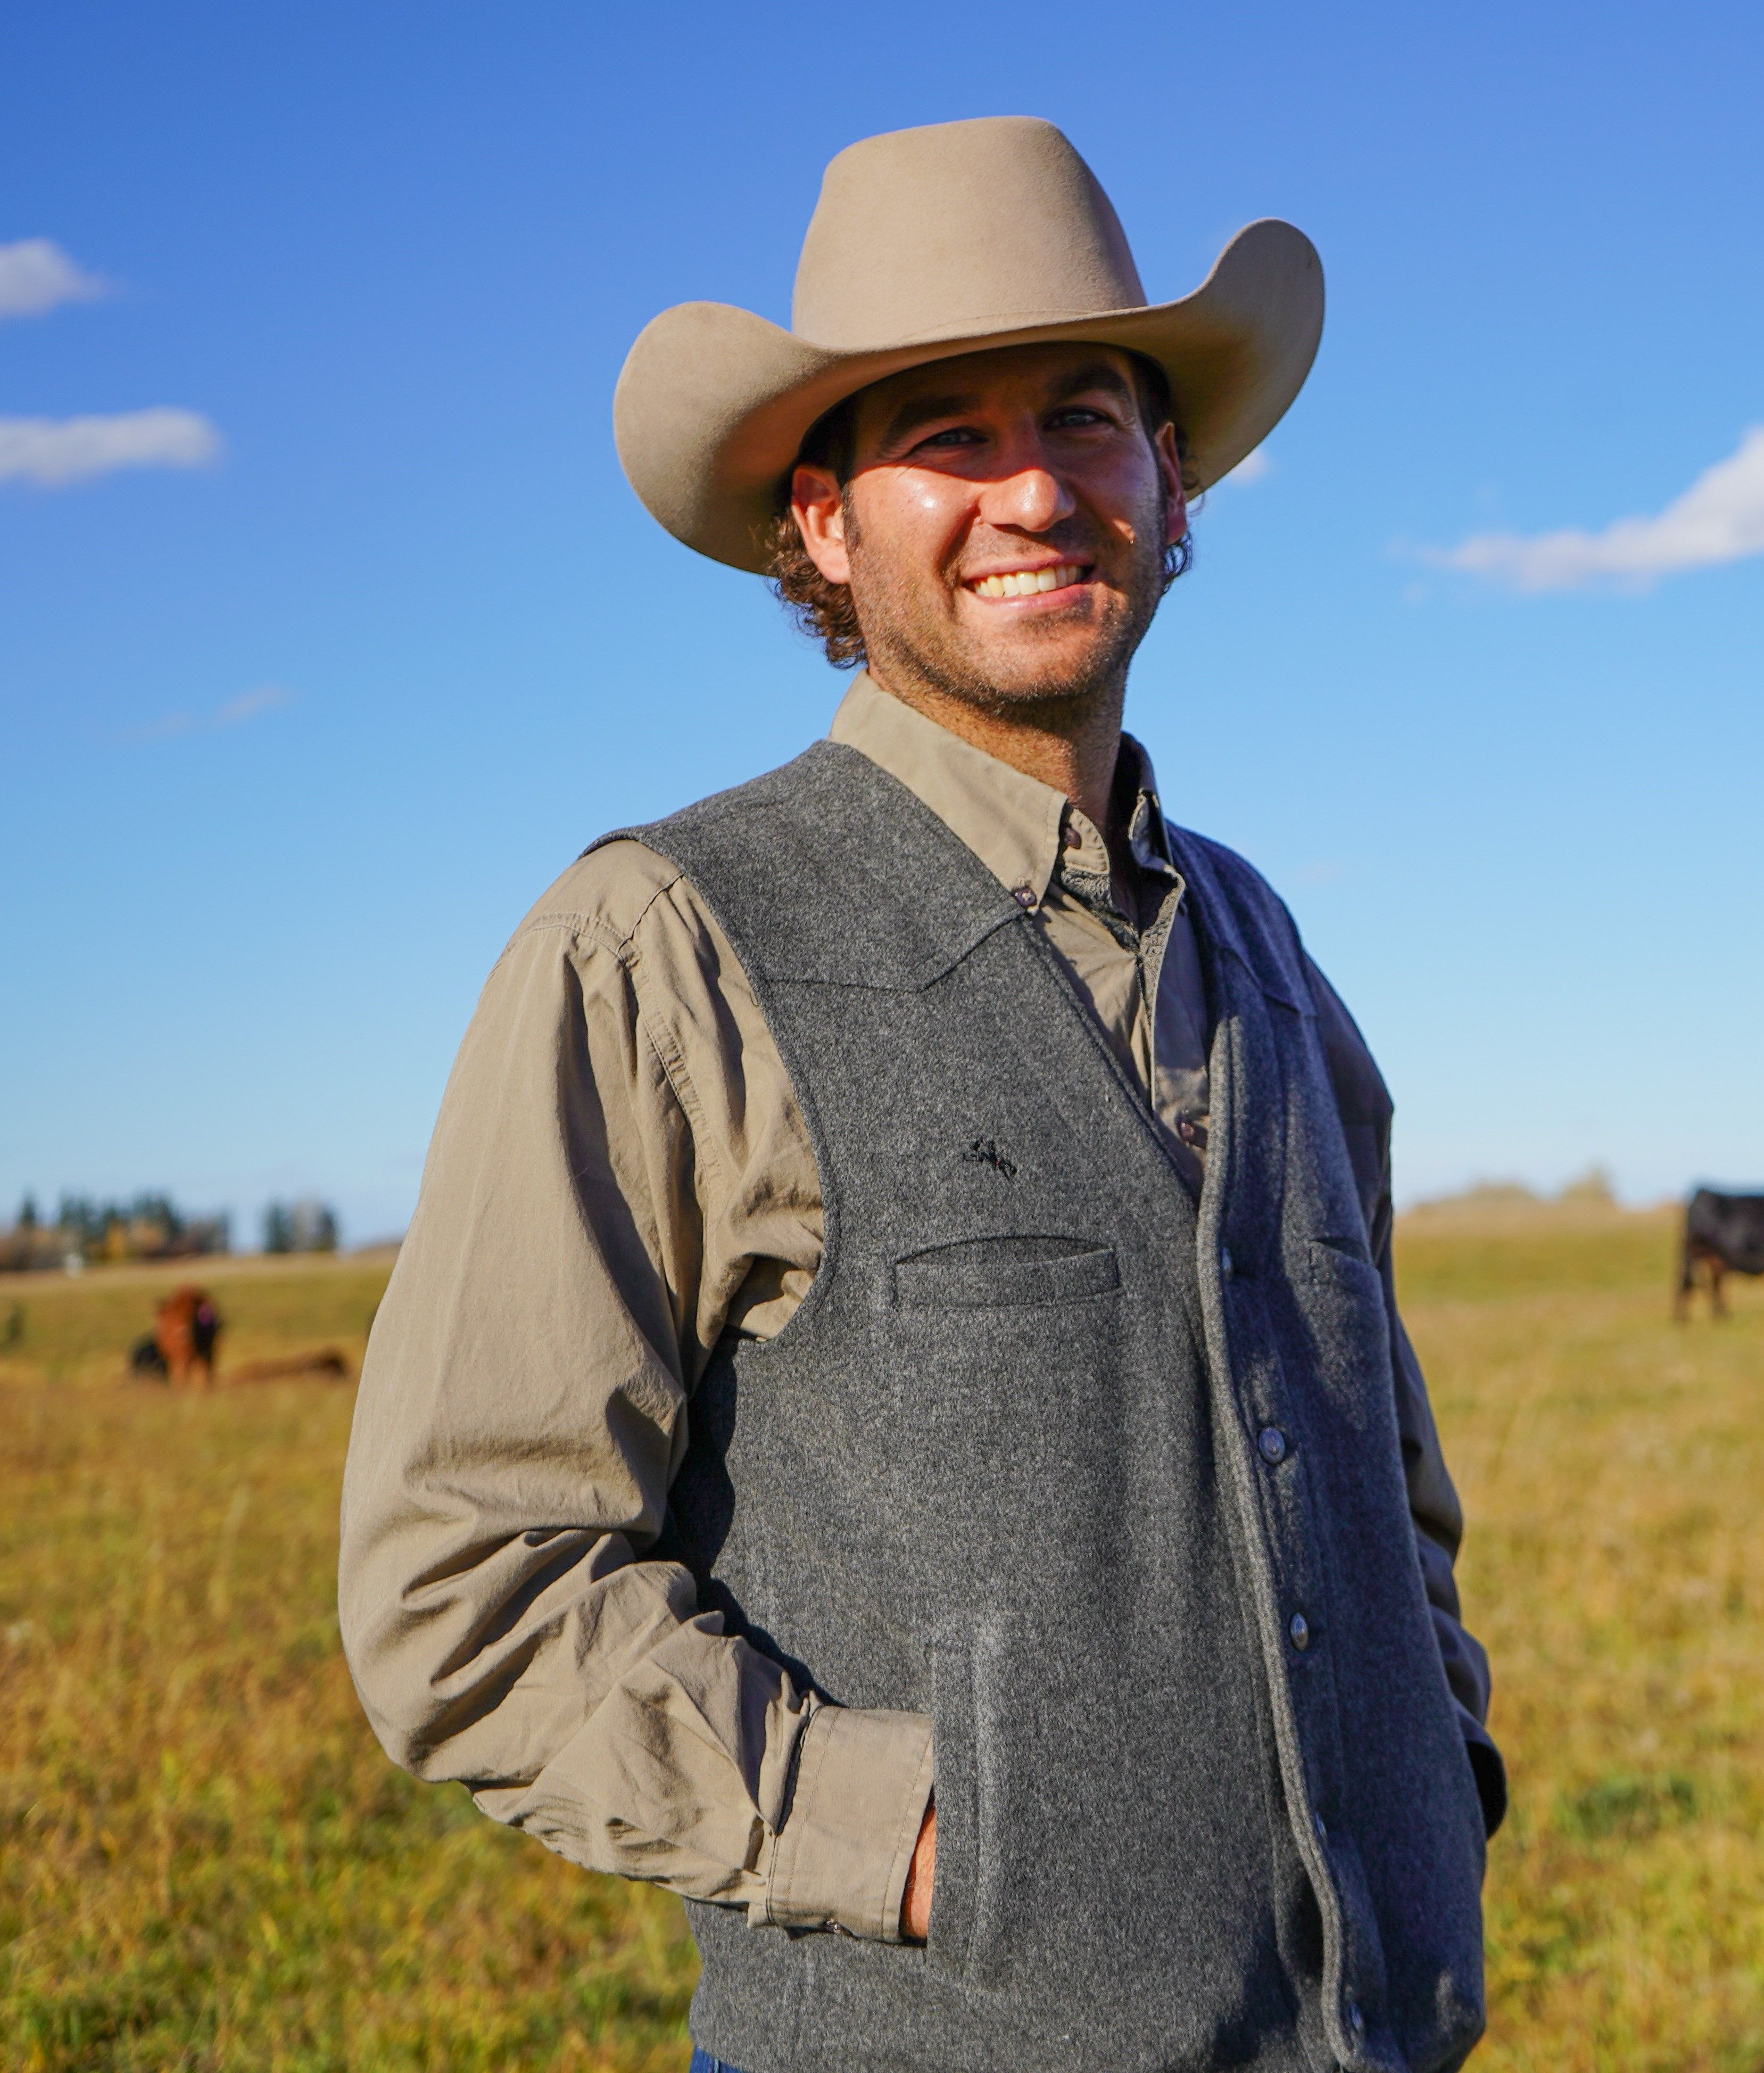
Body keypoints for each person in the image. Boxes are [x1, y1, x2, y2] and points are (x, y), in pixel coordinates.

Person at [337, 118, 1500, 2073]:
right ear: (822, 522)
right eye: (949, 436)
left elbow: (1380, 1462)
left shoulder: (1266, 946)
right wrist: (916, 1846)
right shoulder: (662, 946)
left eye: (1087, 420)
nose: (1035, 490)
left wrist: (1435, 1760)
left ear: (1172, 479)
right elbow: (465, 1580)